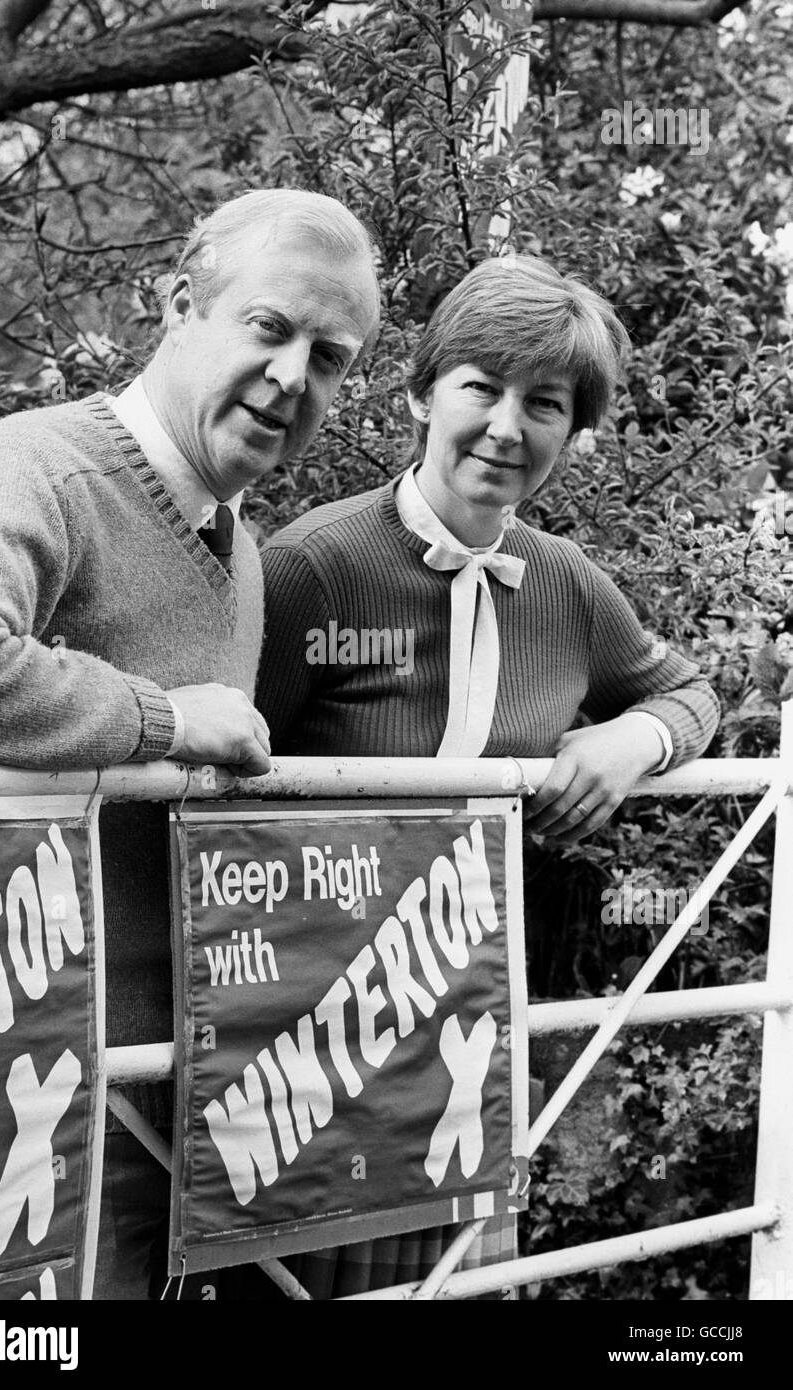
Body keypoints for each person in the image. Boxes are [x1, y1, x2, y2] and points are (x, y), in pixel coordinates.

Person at [0, 187, 380, 1299]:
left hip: (176, 1100)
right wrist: (164, 719)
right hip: (17, 1108)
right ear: (178, 303)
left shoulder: (249, 552)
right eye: (270, 329)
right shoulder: (28, 466)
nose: (291, 380)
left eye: (328, 358)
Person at [256, 253, 720, 1295]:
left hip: (469, 1032)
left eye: (544, 403)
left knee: (463, 1287)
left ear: (571, 430)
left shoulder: (563, 584)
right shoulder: (312, 566)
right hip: (304, 1042)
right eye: (480, 388)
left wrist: (620, 742)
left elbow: (688, 690)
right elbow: (218, 778)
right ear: (421, 395)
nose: (507, 427)